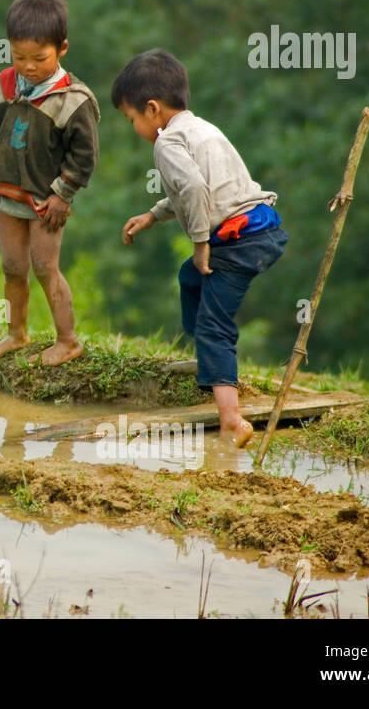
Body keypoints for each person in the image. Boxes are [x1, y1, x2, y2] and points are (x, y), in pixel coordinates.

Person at [112, 48, 288, 446]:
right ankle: (208, 364)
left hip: (236, 239)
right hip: (260, 228)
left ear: (152, 109)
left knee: (213, 325)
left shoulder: (166, 142)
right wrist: (153, 215)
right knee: (189, 278)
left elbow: (191, 189)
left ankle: (232, 419)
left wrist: (200, 243)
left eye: (132, 118)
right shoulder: (202, 129)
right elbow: (191, 188)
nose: (134, 126)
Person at [0, 0, 100, 365]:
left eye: (39, 58)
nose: (28, 66)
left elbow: (84, 156)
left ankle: (68, 340)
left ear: (62, 49)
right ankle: (16, 333)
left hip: (46, 201)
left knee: (45, 267)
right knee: (11, 267)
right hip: (7, 193)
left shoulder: (73, 100)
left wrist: (63, 194)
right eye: (18, 56)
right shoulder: (4, 86)